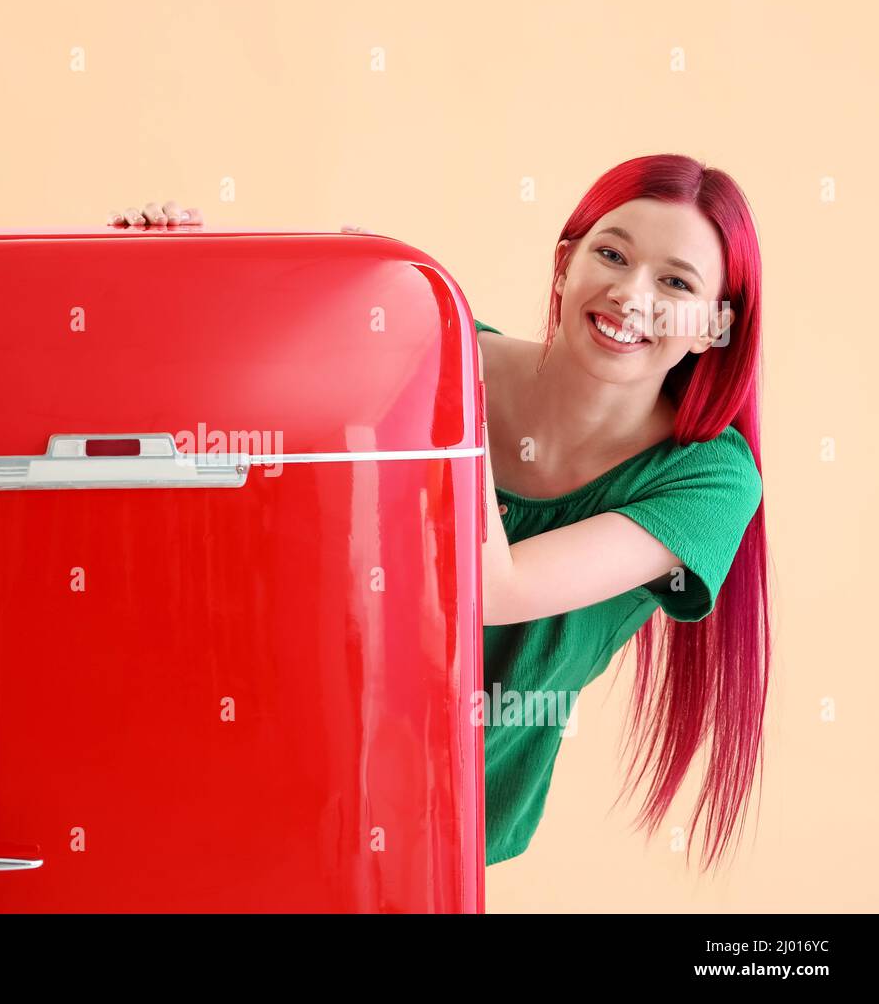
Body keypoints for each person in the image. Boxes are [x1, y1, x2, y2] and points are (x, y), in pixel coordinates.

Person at [109, 155, 770, 872]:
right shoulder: (427, 338)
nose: (630, 295)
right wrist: (168, 278)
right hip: (252, 765)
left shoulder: (708, 478)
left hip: (428, 837)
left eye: (676, 282)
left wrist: (423, 349)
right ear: (565, 264)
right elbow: (224, 425)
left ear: (715, 325)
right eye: (611, 254)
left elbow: (492, 587)